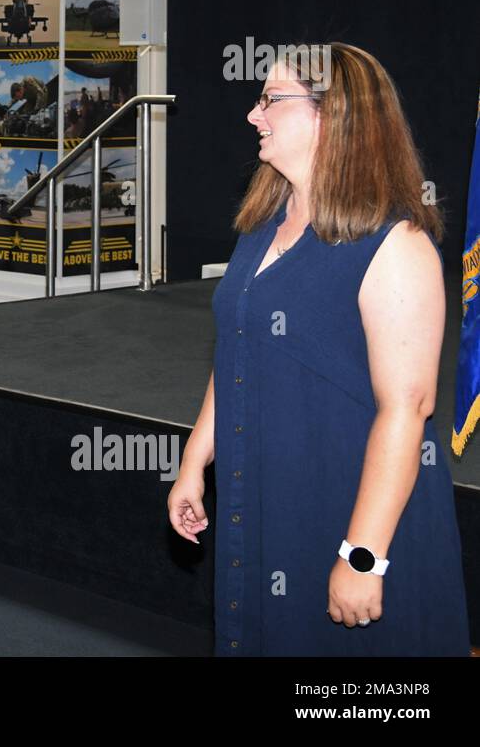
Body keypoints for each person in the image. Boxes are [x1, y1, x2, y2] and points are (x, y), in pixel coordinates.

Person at [167, 43, 470, 655]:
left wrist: (363, 555)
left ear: (332, 116)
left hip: (351, 505)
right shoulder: (263, 224)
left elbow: (406, 410)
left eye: (271, 100)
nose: (254, 115)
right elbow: (238, 352)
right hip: (269, 498)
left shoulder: (396, 242)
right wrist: (194, 461)